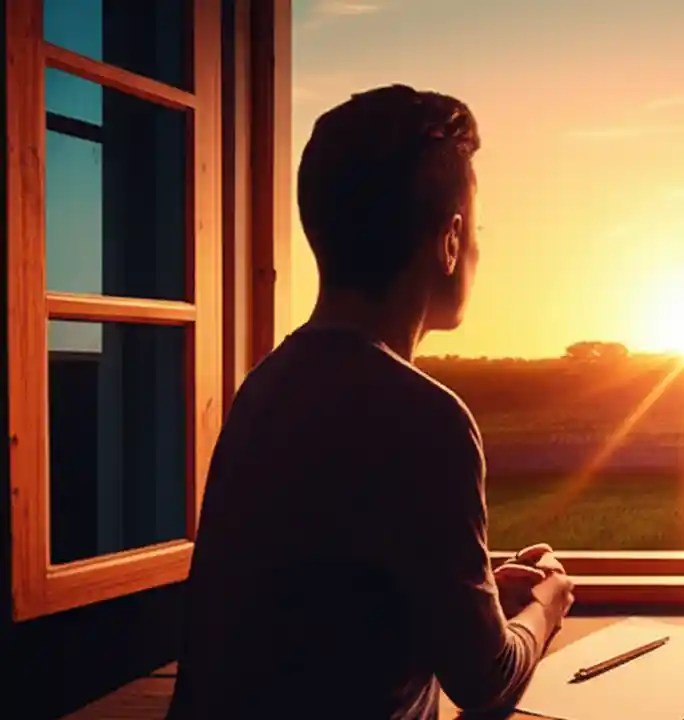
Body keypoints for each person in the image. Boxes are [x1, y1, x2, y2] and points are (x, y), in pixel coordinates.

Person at [168, 85, 574, 719]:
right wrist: (547, 604)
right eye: (474, 229)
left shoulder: (265, 389)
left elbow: (327, 619)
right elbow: (485, 683)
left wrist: (477, 604)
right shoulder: (425, 419)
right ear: (449, 241)